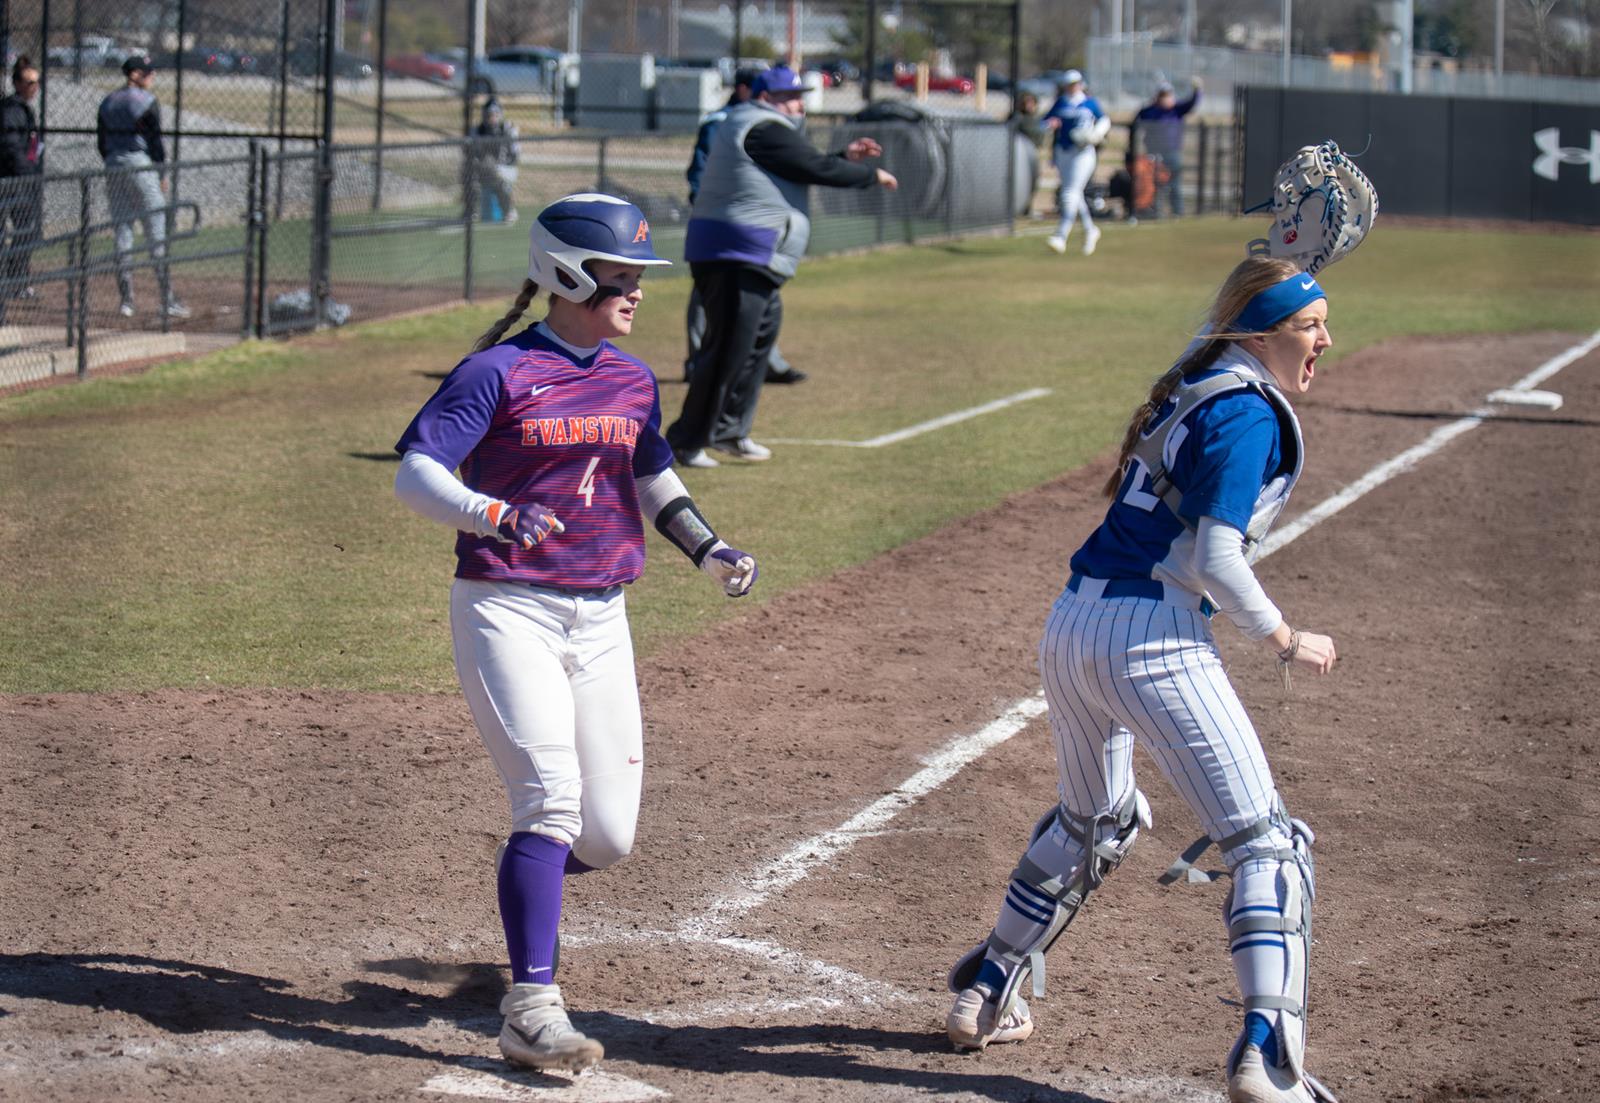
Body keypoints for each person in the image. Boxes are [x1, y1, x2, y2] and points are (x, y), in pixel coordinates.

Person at [944, 253, 1343, 1103]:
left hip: (1074, 625)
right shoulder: (1245, 413)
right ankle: (1270, 1063)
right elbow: (1216, 555)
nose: (1325, 338)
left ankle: (986, 991)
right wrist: (1282, 634)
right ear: (1262, 333)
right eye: (1310, 324)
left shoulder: (1199, 381)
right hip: (1149, 638)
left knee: (1098, 817)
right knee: (1271, 847)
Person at [392, 193, 758, 1072]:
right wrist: (490, 512)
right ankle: (531, 1006)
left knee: (607, 836)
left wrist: (706, 549)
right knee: (551, 800)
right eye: (619, 275)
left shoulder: (632, 378)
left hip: (602, 617)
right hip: (507, 605)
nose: (634, 290)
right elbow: (415, 473)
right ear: (566, 272)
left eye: (638, 275)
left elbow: (651, 479)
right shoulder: (499, 371)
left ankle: (533, 880)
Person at [667, 66, 896, 468]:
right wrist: (867, 174)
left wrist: (843, 157)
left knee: (756, 345)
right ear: (763, 96)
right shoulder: (760, 126)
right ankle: (686, 440)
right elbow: (813, 168)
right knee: (726, 350)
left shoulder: (764, 128)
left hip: (752, 255)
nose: (799, 103)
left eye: (800, 95)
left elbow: (799, 163)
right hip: (735, 252)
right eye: (789, 95)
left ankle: (729, 431)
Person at [683, 67, 804, 387]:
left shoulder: (768, 125)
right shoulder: (721, 122)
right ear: (744, 90)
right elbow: (701, 170)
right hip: (719, 223)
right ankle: (697, 359)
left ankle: (766, 362)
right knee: (707, 295)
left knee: (757, 297)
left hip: (754, 224)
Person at [96, 54, 188, 319]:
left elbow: (101, 142)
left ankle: (126, 301)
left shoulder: (108, 101)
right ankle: (167, 299)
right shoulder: (146, 101)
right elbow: (155, 142)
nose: (151, 76)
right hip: (140, 164)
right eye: (147, 72)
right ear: (134, 74)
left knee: (123, 231)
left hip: (113, 165)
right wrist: (161, 173)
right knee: (155, 229)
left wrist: (114, 159)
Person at [1043, 70, 1109, 257]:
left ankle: (1061, 236)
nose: (1072, 87)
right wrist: (1051, 124)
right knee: (1074, 193)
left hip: (1083, 153)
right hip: (1064, 152)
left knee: (1069, 192)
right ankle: (1090, 230)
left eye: (1075, 83)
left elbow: (1104, 120)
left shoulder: (1089, 103)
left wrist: (1096, 134)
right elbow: (1045, 121)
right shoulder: (1061, 102)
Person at [0, 56, 43, 319]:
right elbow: (11, 146)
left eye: (36, 82)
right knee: (26, 227)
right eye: (28, 82)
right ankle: (13, 281)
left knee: (28, 228)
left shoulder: (22, 108)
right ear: (17, 83)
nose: (33, 87)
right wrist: (25, 173)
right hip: (14, 181)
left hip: (21, 178)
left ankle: (15, 280)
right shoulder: (12, 109)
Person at [1130, 77, 1201, 218]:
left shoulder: (1177, 110)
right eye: (1163, 96)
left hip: (1172, 152)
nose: (1165, 99)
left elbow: (1192, 103)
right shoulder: (1149, 111)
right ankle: (1155, 211)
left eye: (1168, 95)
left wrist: (1197, 90)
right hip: (1154, 152)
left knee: (1175, 184)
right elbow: (1136, 122)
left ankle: (1177, 212)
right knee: (1155, 183)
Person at [474, 97, 520, 224]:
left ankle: (509, 211)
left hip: (506, 168)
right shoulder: (478, 131)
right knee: (471, 176)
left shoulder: (508, 129)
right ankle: (471, 211)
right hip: (485, 170)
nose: (491, 118)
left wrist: (499, 167)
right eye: (489, 115)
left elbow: (514, 155)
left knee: (500, 180)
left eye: (494, 114)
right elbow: (474, 155)